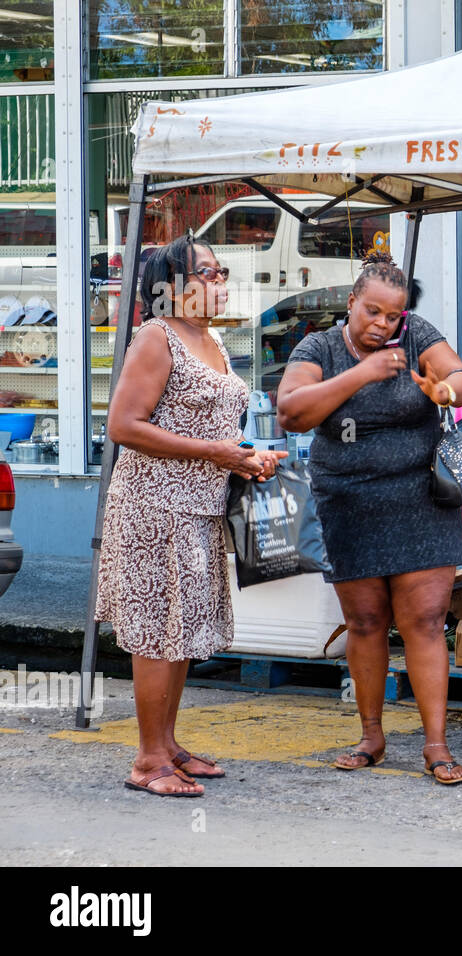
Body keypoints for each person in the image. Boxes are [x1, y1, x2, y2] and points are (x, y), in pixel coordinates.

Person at [277, 252, 462, 784]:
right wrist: (361, 374)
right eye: (372, 313)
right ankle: (371, 736)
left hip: (422, 498)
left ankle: (436, 746)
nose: (383, 325)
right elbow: (292, 410)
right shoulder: (318, 346)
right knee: (365, 623)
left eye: (393, 316)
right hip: (350, 502)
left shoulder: (417, 335)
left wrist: (446, 391)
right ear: (351, 304)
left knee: (427, 621)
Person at [98, 234, 286, 797]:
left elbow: (211, 431)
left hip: (199, 507)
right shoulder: (156, 338)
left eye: (221, 272)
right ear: (171, 286)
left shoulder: (212, 343)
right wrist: (217, 453)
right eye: (207, 273)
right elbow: (124, 426)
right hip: (153, 507)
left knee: (181, 629)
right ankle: (147, 760)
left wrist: (247, 456)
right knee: (157, 630)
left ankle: (168, 744)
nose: (219, 282)